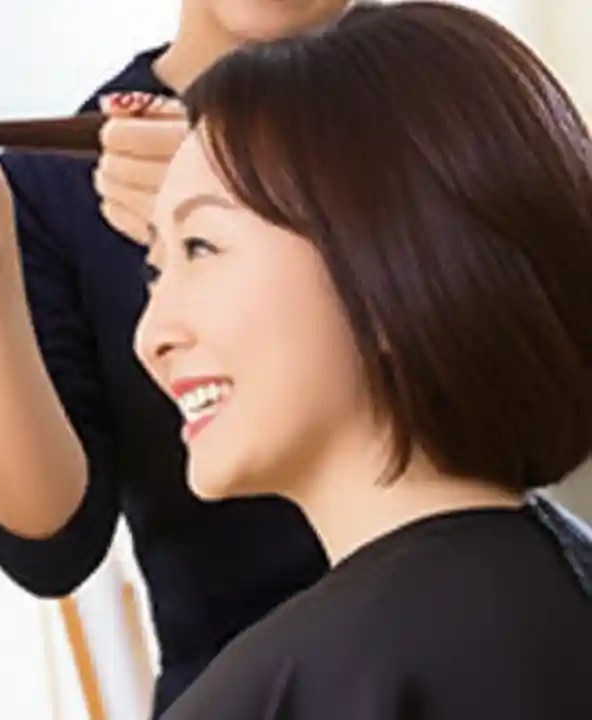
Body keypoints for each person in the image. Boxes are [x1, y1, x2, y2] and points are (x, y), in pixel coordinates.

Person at [0, 1, 351, 713]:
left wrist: (248, 201)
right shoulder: (58, 182)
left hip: (477, 629)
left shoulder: (445, 92)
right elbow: (50, 547)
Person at [129, 3, 592, 717]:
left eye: (201, 247)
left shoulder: (282, 693)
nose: (152, 334)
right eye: (154, 270)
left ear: (390, 263)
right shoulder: (560, 585)